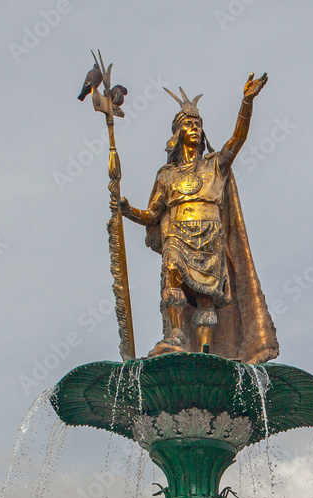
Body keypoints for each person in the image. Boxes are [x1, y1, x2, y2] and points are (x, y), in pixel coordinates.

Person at [119, 73, 278, 364]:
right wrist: (128, 210)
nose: (193, 128)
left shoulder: (215, 165)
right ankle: (176, 335)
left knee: (207, 297)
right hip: (177, 235)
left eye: (197, 124)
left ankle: (206, 351)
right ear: (177, 133)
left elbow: (238, 139)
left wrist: (246, 102)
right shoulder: (166, 175)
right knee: (171, 270)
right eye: (188, 124)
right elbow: (153, 214)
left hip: (209, 235)